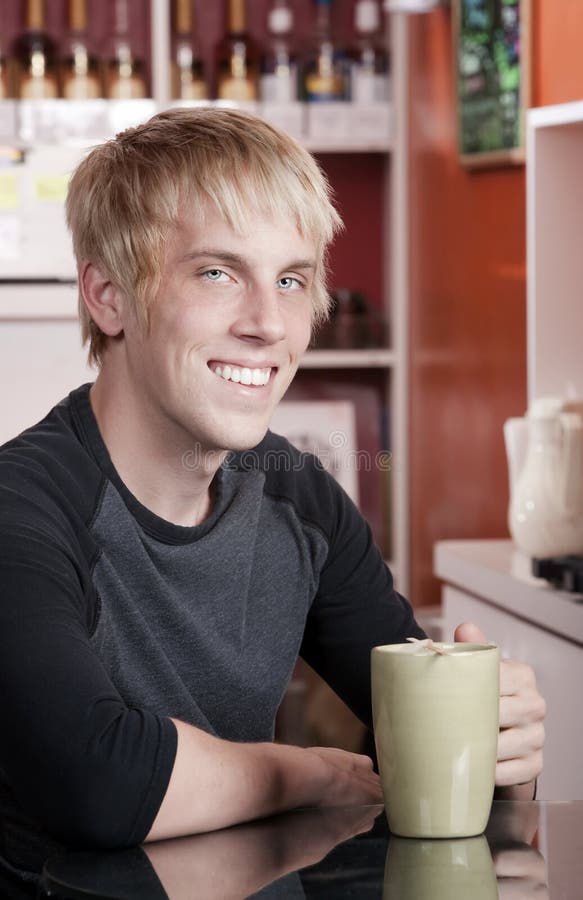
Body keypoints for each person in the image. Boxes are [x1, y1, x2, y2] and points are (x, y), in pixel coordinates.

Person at [0, 108, 545, 869]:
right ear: (107, 296)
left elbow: (419, 738)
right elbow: (98, 778)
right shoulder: (23, 509)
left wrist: (493, 742)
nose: (267, 323)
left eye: (290, 279)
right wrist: (314, 773)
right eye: (217, 272)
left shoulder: (298, 496)